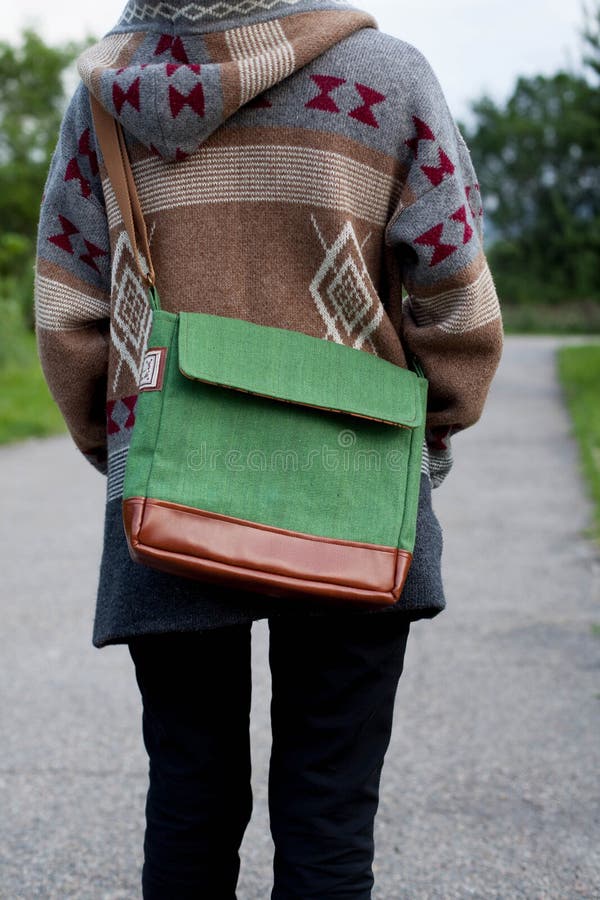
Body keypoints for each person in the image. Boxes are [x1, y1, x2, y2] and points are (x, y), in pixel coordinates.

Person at [34, 0, 503, 896]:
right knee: (331, 811)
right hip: (357, 481)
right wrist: (431, 430)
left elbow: (70, 314)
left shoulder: (106, 97)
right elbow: (455, 295)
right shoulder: (388, 80)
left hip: (166, 490)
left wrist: (126, 447)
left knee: (189, 799)